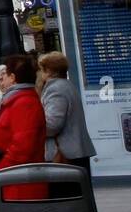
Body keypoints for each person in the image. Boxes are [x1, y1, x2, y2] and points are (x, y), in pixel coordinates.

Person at [0, 54, 49, 212]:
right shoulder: (16, 100)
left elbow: (22, 148)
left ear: (13, 77)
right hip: (12, 181)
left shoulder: (23, 103)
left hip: (17, 184)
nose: (1, 82)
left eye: (5, 76)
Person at [37, 51, 95, 195]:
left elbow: (53, 124)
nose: (40, 73)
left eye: (42, 69)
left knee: (65, 200)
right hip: (74, 153)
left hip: (65, 155)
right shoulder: (67, 85)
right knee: (79, 200)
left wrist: (35, 128)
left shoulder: (55, 90)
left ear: (49, 71)